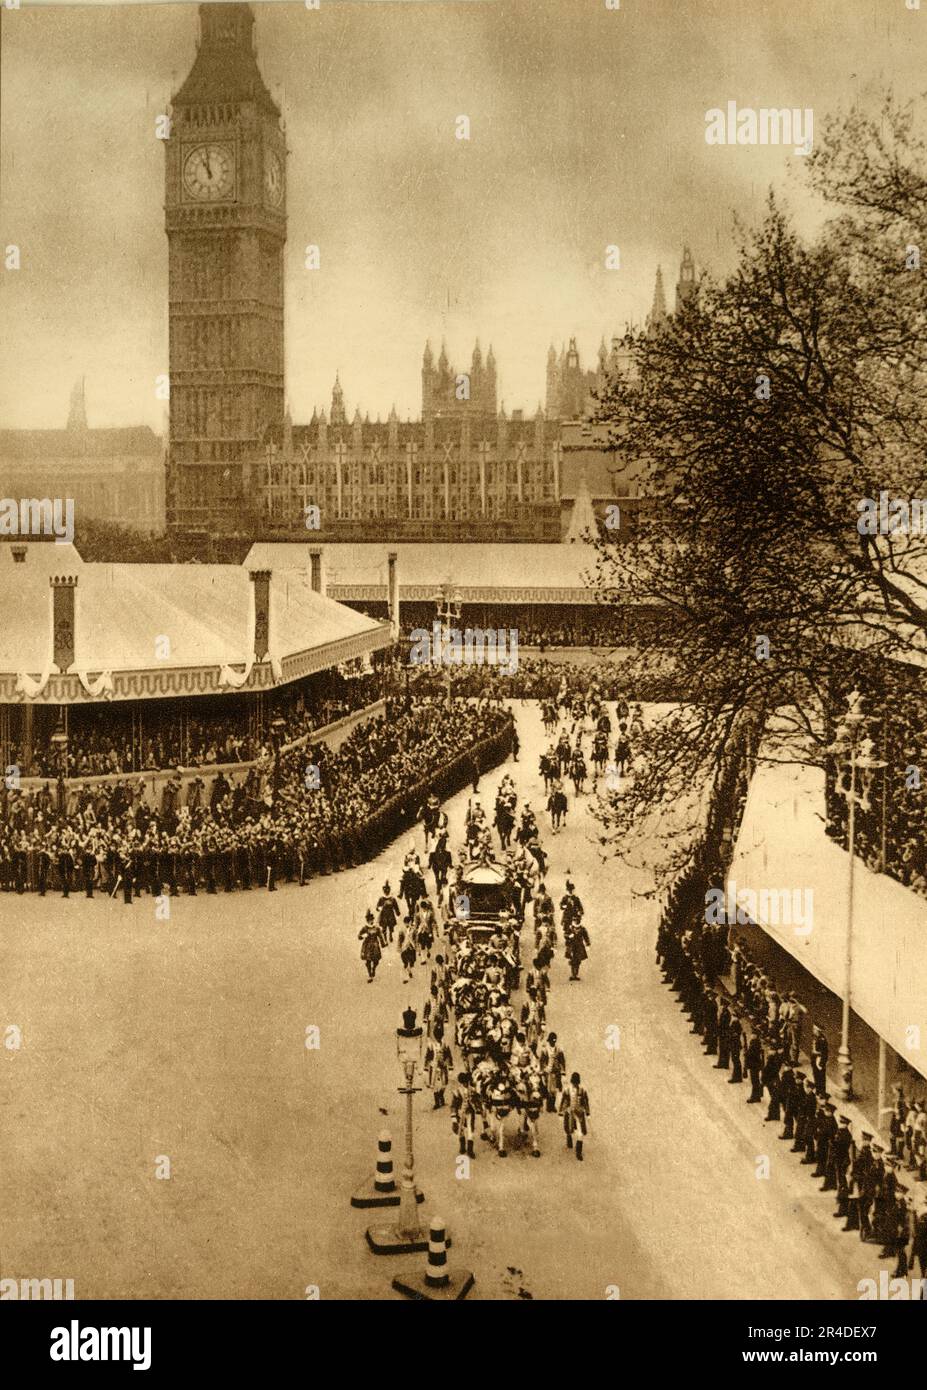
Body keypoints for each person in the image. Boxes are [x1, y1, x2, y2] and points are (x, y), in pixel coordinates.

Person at [560, 1071, 590, 1161]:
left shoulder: (582, 1090)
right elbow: (564, 1102)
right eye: (574, 1082)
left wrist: (588, 1113)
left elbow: (585, 1102)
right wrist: (561, 1112)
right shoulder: (567, 1090)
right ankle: (569, 1137)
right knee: (569, 1129)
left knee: (580, 1134)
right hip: (570, 1114)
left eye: (576, 1083)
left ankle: (578, 1152)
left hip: (579, 1115)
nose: (575, 1084)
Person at [358, 911, 384, 983]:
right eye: (369, 920)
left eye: (372, 920)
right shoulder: (365, 928)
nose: (371, 921)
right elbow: (359, 936)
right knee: (368, 960)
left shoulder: (376, 928)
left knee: (376, 960)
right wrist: (363, 936)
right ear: (367, 921)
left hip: (375, 945)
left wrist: (382, 943)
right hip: (367, 946)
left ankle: (374, 969)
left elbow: (380, 936)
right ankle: (370, 975)